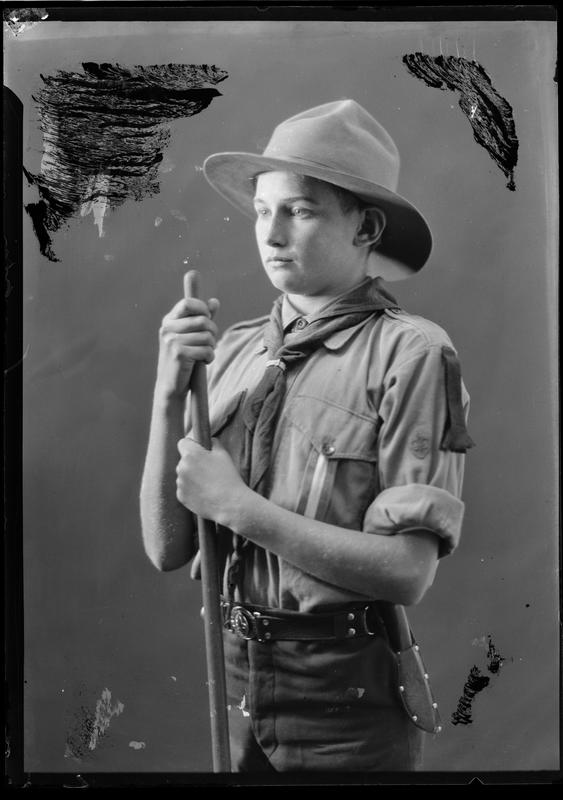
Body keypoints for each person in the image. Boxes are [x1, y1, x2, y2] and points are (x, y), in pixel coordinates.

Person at [140, 99, 473, 772]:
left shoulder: (411, 354)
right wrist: (168, 389)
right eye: (262, 210)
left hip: (345, 702)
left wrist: (239, 507)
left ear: (365, 227)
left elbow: (407, 573)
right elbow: (166, 550)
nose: (271, 232)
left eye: (300, 209)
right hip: (237, 689)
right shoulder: (229, 350)